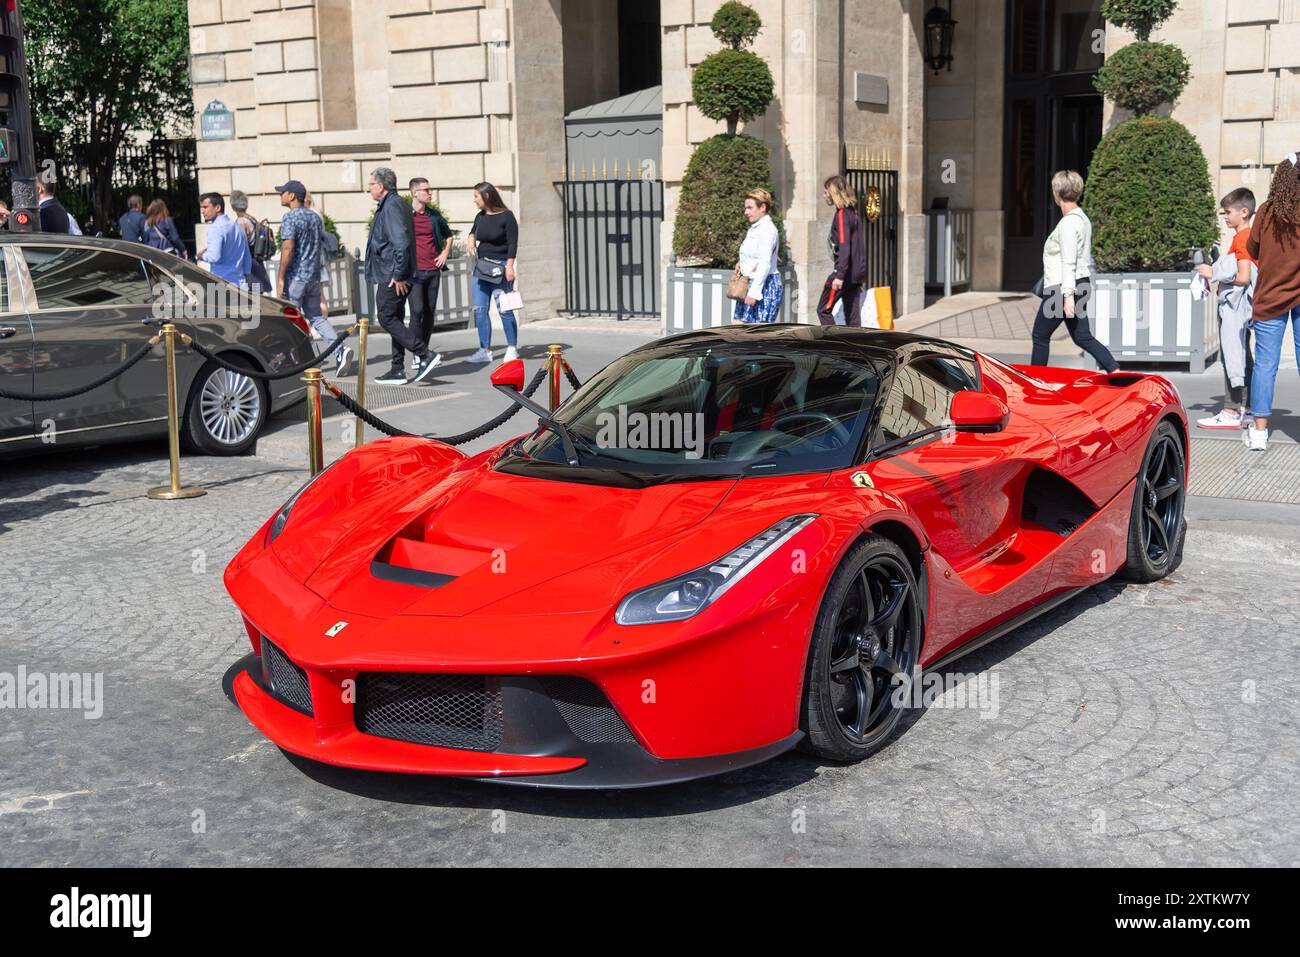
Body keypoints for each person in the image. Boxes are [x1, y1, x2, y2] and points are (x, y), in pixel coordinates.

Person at [1029, 170, 1118, 372]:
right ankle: (1115, 370)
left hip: (1063, 288)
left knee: (1040, 336)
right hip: (1080, 282)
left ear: (1057, 194)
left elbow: (1068, 261)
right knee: (1082, 337)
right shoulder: (1082, 219)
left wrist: (1067, 296)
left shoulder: (1069, 223)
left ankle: (1033, 382)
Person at [1243, 152, 1300, 452]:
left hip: (1269, 295)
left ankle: (1259, 432)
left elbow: (1253, 248)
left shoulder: (1266, 212)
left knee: (1265, 364)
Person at [366, 167, 441, 385]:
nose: (369, 189)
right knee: (395, 317)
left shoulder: (391, 206)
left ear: (380, 186)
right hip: (399, 272)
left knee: (386, 317)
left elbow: (401, 242)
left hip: (393, 274)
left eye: (371, 184)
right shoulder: (398, 204)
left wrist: (398, 274)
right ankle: (397, 369)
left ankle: (425, 355)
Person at [276, 179, 352, 376]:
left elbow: (288, 248)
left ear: (292, 196)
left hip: (296, 277)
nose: (280, 195)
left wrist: (281, 277)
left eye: (283, 192)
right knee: (317, 317)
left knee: (290, 320)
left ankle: (301, 361)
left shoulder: (290, 218)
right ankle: (339, 350)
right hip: (313, 275)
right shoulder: (315, 218)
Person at [1196, 188, 1257, 429]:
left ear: (1244, 212)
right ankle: (1249, 409)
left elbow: (1242, 277)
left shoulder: (1242, 239)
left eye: (1228, 212)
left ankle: (1232, 410)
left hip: (1235, 308)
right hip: (1246, 308)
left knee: (1232, 354)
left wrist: (1214, 274)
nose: (1225, 216)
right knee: (1245, 356)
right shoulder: (1250, 237)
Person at [466, 182, 520, 363]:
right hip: (481, 268)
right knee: (480, 310)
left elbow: (513, 243)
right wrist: (470, 240)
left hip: (501, 267)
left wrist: (510, 266)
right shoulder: (480, 216)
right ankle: (485, 350)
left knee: (504, 309)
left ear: (486, 196)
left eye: (476, 196)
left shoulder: (507, 216)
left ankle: (512, 347)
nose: (474, 200)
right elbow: (473, 231)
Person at [407, 177, 454, 371]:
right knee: (417, 311)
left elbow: (449, 235)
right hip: (413, 273)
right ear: (415, 193)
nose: (430, 193)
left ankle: (424, 350)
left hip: (433, 270)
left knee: (429, 313)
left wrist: (444, 253)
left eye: (430, 189)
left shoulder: (434, 216)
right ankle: (418, 353)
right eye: (426, 190)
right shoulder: (404, 216)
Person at [817, 175, 866, 326]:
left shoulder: (842, 214)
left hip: (845, 274)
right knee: (853, 318)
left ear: (834, 193)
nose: (824, 196)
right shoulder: (853, 212)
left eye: (826, 192)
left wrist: (839, 274)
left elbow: (845, 245)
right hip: (856, 273)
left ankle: (834, 345)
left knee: (823, 310)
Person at [732, 188, 783, 323]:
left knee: (756, 336)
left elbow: (765, 263)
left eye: (750, 208)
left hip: (764, 287)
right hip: (750, 284)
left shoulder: (767, 230)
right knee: (737, 329)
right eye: (745, 208)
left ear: (762, 207)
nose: (746, 212)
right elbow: (754, 254)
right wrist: (742, 263)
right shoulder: (756, 227)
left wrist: (754, 292)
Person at [197, 192, 253, 288]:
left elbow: (214, 257)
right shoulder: (237, 227)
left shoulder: (215, 228)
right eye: (201, 207)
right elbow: (247, 258)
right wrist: (247, 277)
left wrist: (201, 256)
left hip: (220, 284)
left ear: (217, 208)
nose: (202, 211)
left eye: (205, 207)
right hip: (240, 284)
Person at [229, 190, 271, 292]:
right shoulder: (251, 219)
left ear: (233, 206)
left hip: (249, 263)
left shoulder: (241, 222)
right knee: (257, 294)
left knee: (253, 297)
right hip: (256, 262)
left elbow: (241, 245)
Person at [303, 191, 332, 326]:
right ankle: (322, 322)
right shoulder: (316, 214)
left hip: (315, 261)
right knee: (319, 294)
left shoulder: (311, 215)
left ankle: (322, 322)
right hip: (318, 260)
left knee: (319, 295)